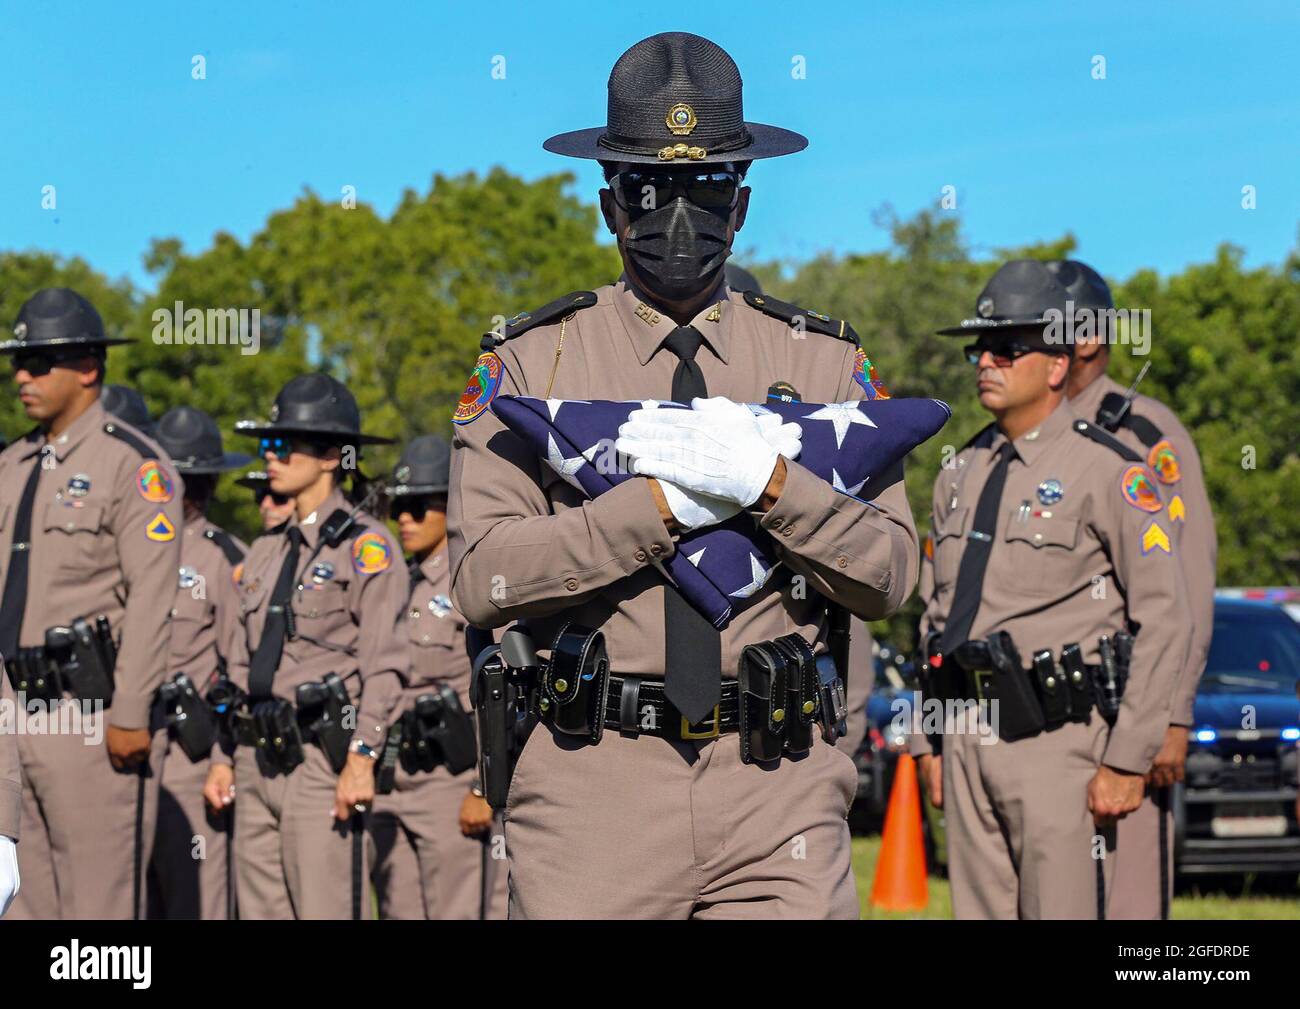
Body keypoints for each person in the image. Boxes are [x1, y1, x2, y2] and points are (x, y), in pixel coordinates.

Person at [448, 32, 917, 920]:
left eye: (704, 189)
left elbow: (891, 574)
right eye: (648, 188)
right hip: (596, 791)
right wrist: (655, 507)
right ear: (608, 205)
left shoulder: (820, 363)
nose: (677, 218)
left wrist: (778, 487)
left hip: (777, 789)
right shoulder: (531, 365)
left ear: (740, 205)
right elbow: (483, 580)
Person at [911, 260, 1193, 918]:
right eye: (979, 347)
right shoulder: (957, 473)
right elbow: (933, 616)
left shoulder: (1111, 472)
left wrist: (1128, 758)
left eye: (1009, 348)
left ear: (1059, 364)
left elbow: (1165, 620)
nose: (987, 360)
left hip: (1059, 745)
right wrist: (928, 740)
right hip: (966, 736)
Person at [0, 287, 181, 919]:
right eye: (19, 362)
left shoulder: (133, 465)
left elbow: (154, 596)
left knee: (97, 915)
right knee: (24, 906)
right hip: (10, 717)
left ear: (88, 368)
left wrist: (131, 711)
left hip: (89, 715)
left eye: (39, 362)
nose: (23, 375)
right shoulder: (11, 465)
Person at [203, 373, 408, 919]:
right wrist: (225, 757)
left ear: (326, 457)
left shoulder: (367, 547)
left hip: (321, 759)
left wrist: (362, 758)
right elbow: (238, 663)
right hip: (256, 755)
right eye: (267, 444)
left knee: (326, 908)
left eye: (282, 444)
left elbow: (385, 664)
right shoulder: (267, 550)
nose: (268, 457)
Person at [1051, 259, 1217, 919]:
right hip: (1041, 717)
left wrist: (1173, 714)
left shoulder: (1144, 433)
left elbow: (1190, 579)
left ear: (1085, 339)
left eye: (1031, 332)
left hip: (1129, 707)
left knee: (1128, 909)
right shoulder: (1019, 439)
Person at [369, 435, 509, 919]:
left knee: (456, 910)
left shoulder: (468, 583)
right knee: (395, 908)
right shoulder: (395, 581)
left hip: (450, 784)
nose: (403, 519)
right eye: (397, 508)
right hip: (395, 778)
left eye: (417, 506)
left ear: (449, 507)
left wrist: (481, 788)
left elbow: (498, 691)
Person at [147, 406, 251, 920]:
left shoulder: (227, 559)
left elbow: (238, 667)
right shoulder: (127, 546)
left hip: (190, 758)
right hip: (124, 751)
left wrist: (221, 757)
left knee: (197, 900)